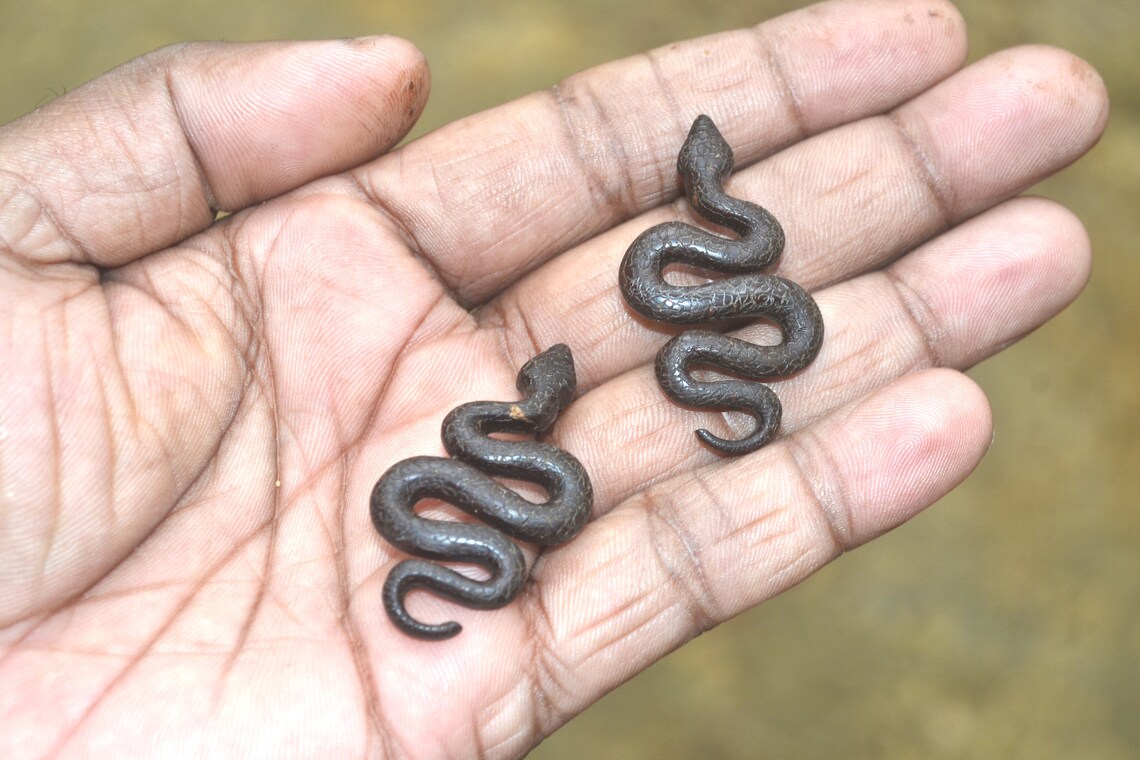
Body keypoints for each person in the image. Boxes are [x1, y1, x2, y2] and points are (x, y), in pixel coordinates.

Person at [0, 0, 1107, 756]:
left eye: (703, 175)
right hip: (584, 433)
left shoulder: (711, 273)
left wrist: (726, 384)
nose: (709, 177)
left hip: (668, 379)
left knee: (679, 374)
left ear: (704, 194)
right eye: (708, 172)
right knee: (572, 463)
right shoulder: (505, 427)